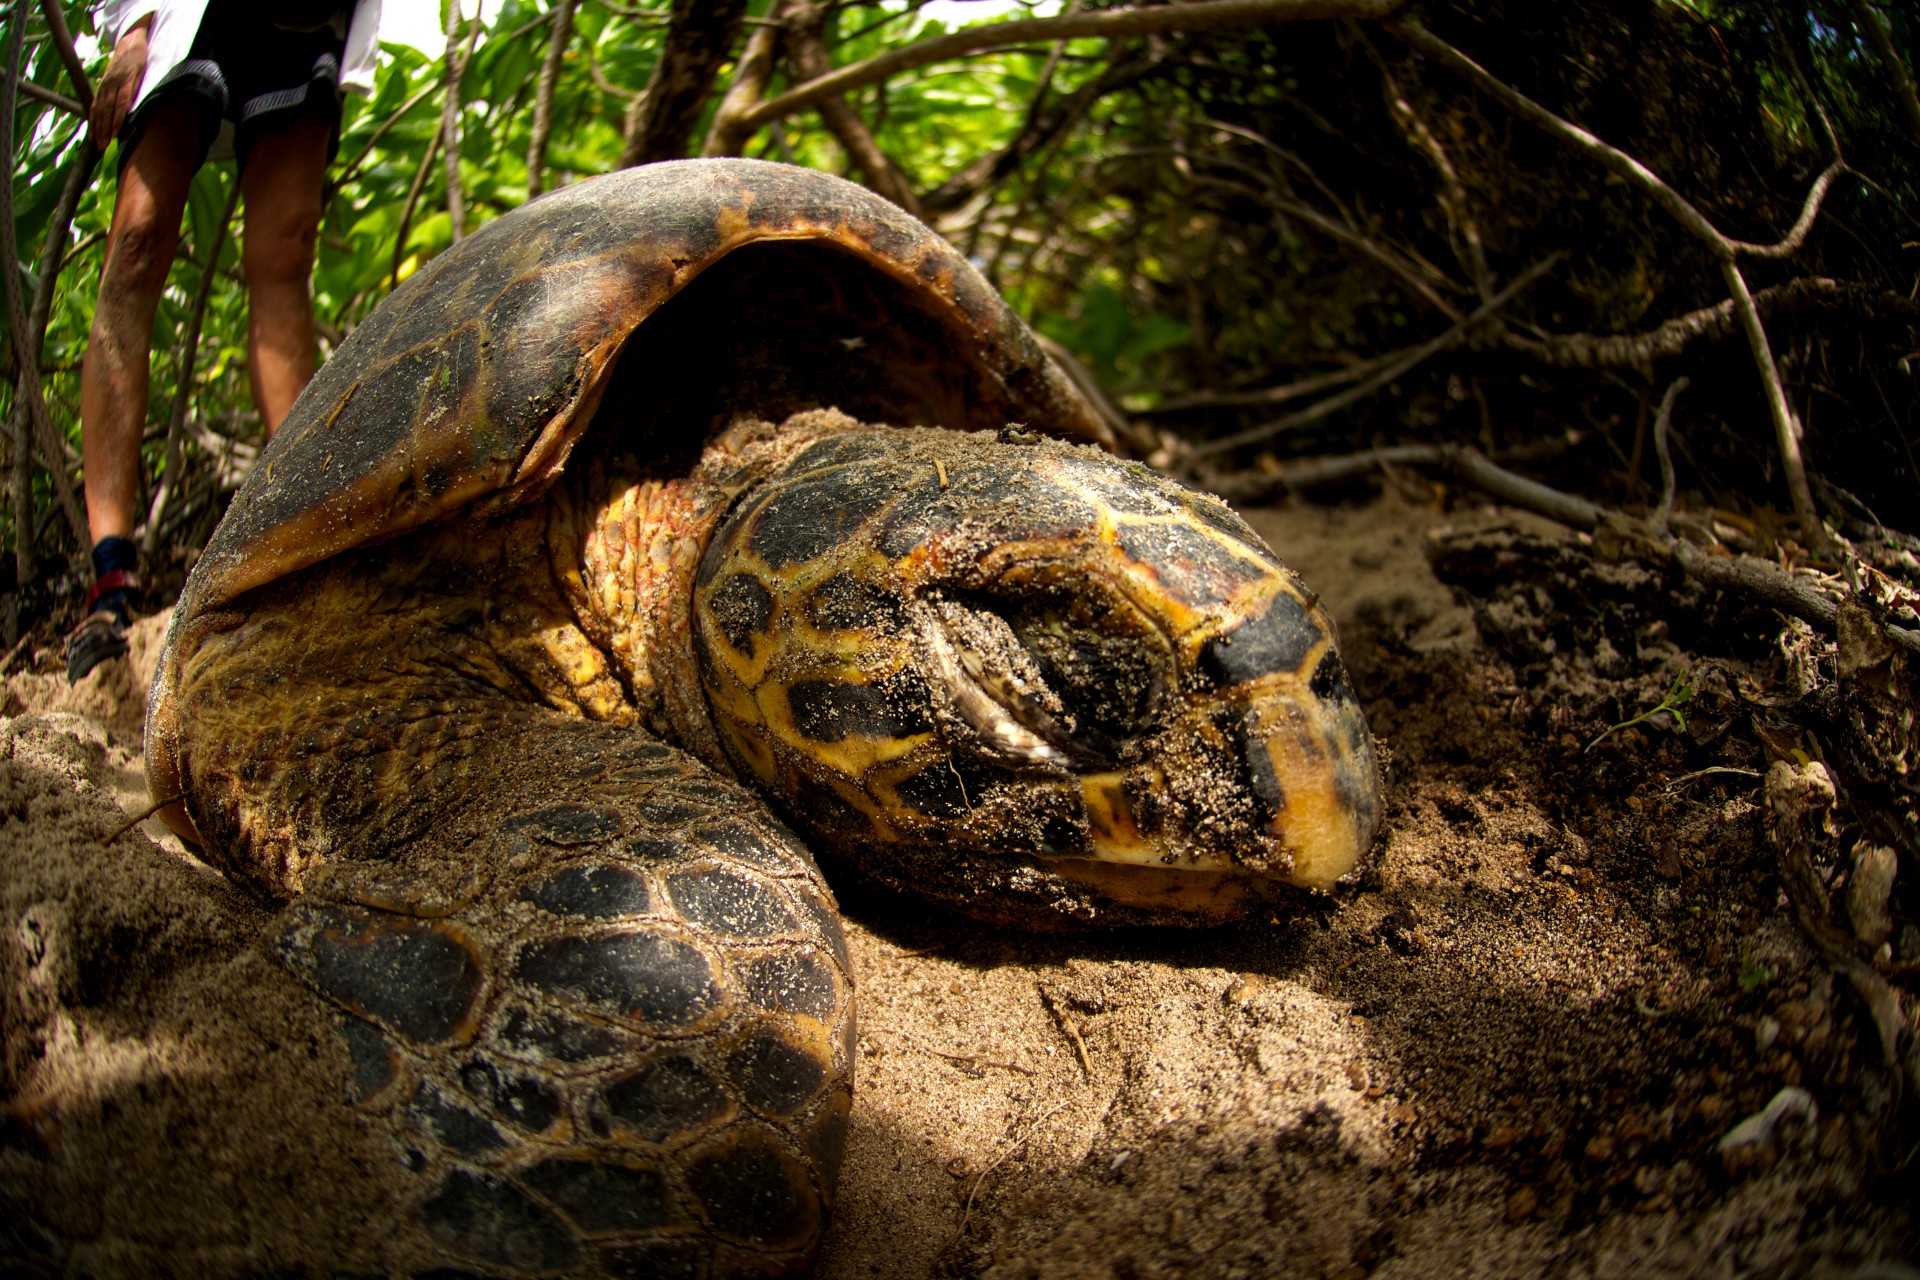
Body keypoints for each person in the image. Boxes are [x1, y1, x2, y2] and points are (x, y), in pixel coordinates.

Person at [67, 0, 382, 681]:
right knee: (136, 243)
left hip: (309, 18)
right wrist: (133, 32)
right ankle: (110, 578)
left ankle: (310, 557)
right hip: (196, 13)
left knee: (285, 251)